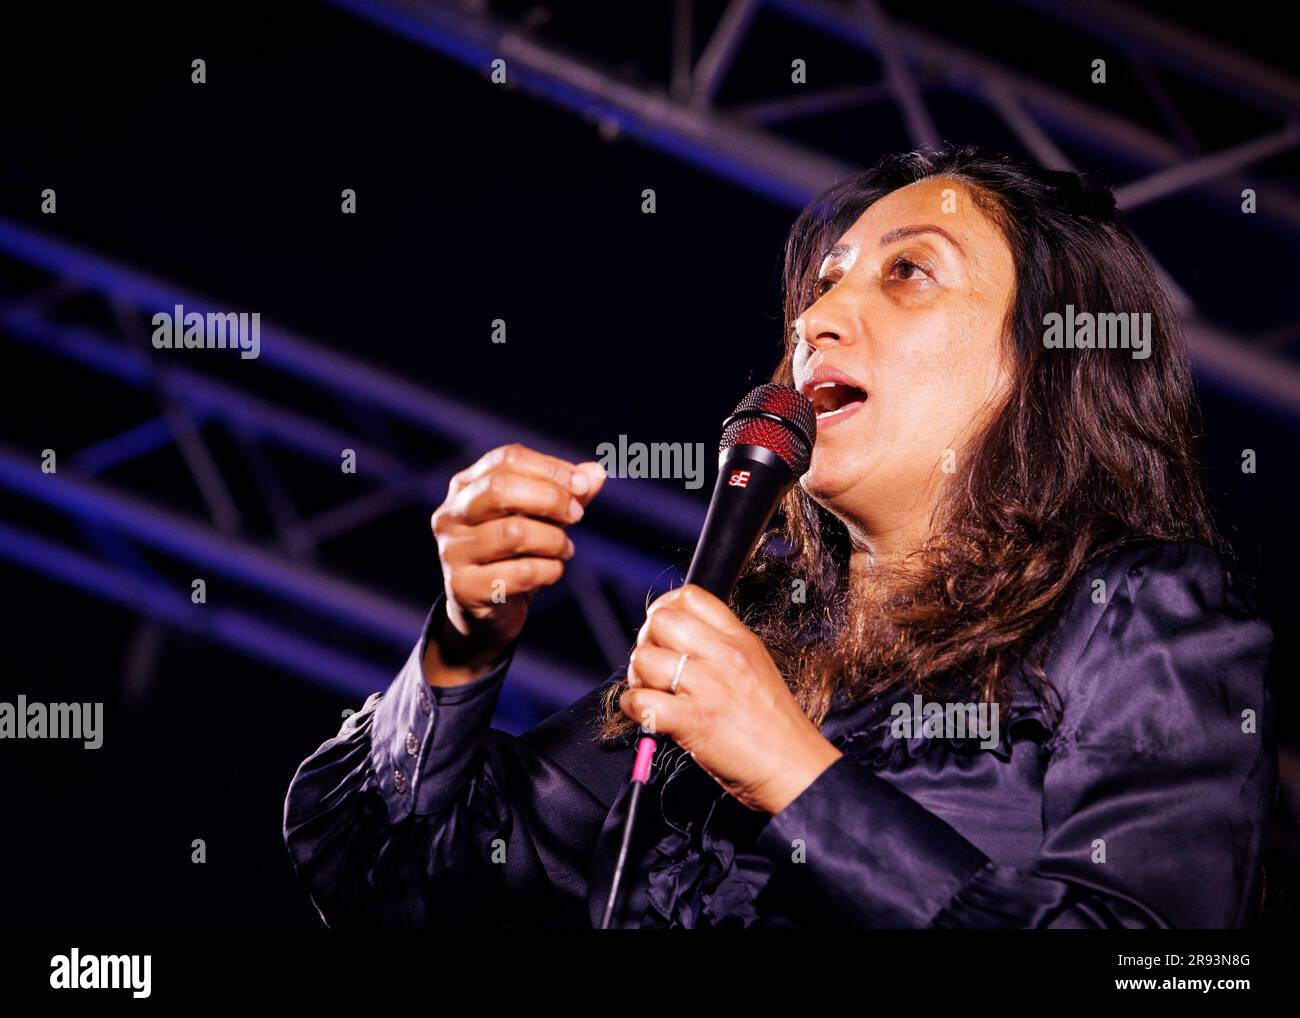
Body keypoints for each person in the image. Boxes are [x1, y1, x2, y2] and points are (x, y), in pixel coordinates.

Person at [283, 147, 1275, 928]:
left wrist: (794, 774)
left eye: (908, 274)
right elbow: (390, 890)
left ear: (1040, 363)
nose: (820, 315)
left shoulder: (1139, 612)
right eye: (826, 281)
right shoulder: (750, 647)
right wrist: (464, 641)